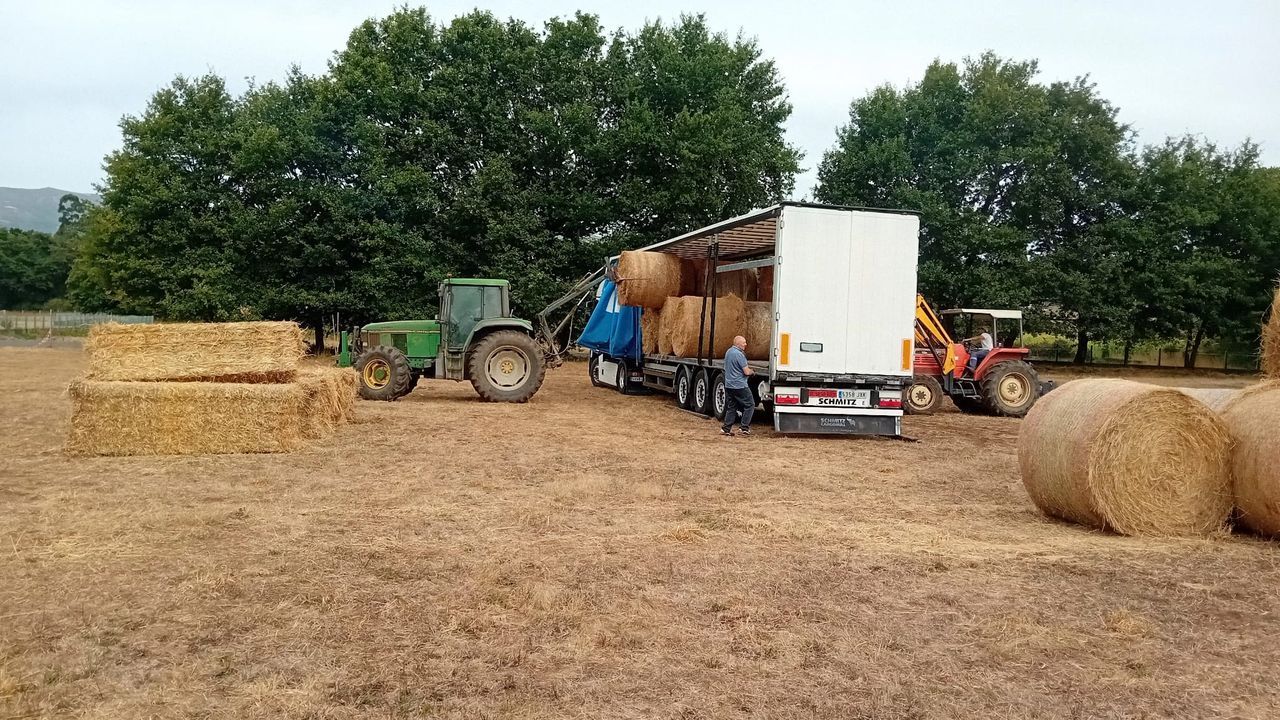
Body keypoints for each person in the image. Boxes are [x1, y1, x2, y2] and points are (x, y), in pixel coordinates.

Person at [721, 335, 755, 436]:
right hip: (740, 385)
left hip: (729, 385)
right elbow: (746, 372)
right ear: (738, 343)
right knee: (750, 404)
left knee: (732, 407)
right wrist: (753, 372)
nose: (746, 344)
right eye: (744, 342)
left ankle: (726, 429)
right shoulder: (739, 355)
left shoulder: (728, 352)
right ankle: (744, 428)